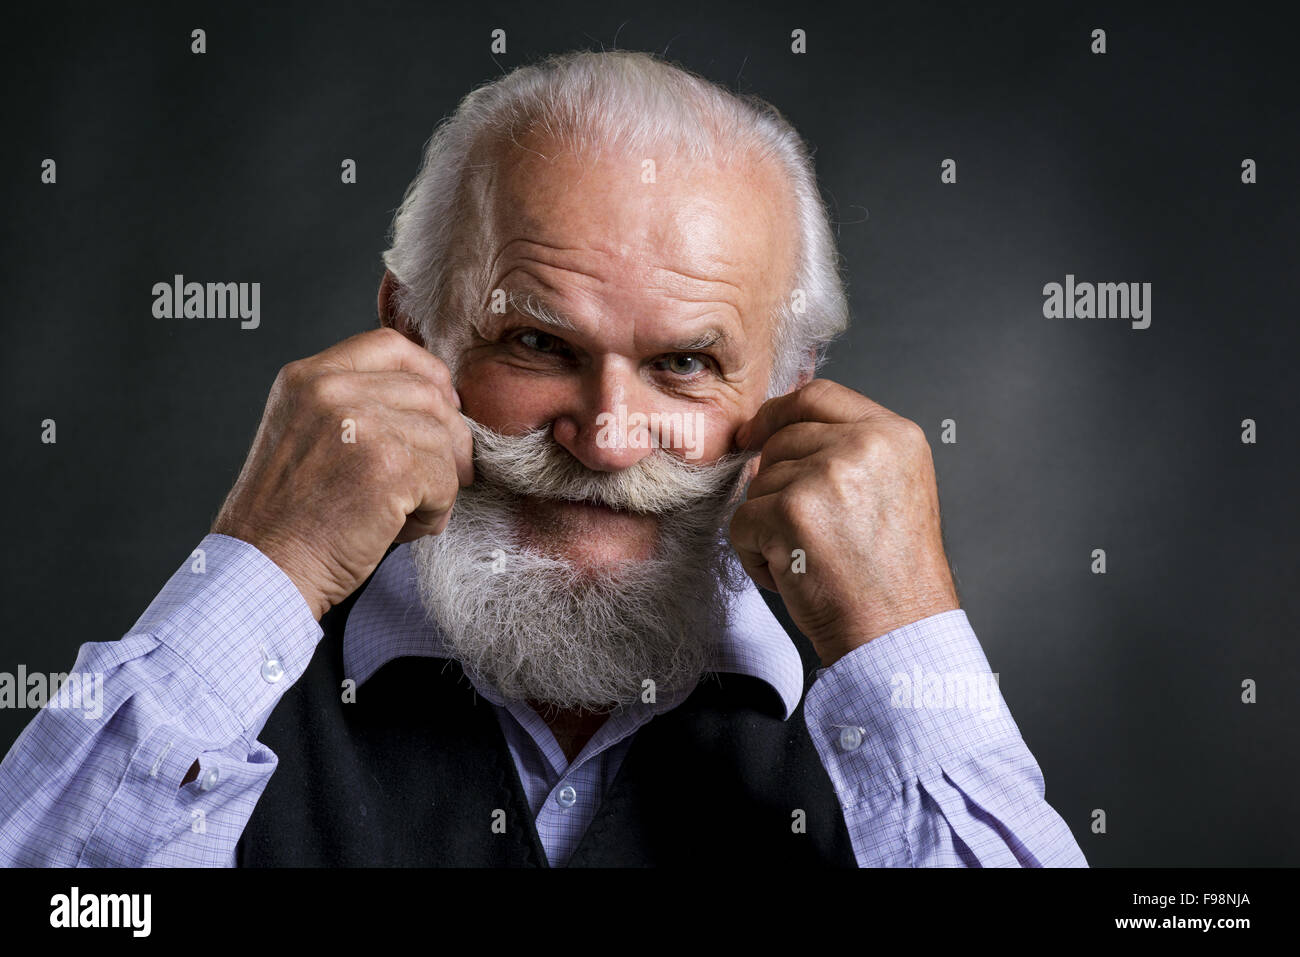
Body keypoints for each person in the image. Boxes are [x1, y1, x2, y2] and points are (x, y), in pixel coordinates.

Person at [0, 49, 1086, 867]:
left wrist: (906, 646)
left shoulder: (870, 714)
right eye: (536, 343)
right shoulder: (243, 697)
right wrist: (262, 561)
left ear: (788, 391)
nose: (607, 439)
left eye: (686, 364)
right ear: (410, 338)